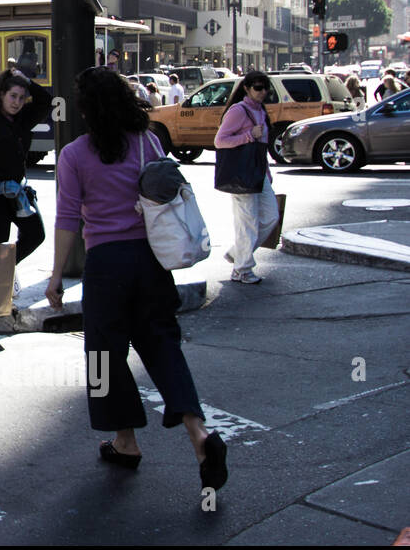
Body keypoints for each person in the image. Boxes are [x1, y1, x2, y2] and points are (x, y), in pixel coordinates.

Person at [46, 67, 227, 493]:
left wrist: (56, 277)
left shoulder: (74, 154)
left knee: (103, 359)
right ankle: (199, 436)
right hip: (151, 261)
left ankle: (125, 441)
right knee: (164, 346)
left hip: (107, 266)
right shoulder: (148, 142)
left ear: (88, 111)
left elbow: (68, 218)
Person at [0, 68, 52, 281]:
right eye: (13, 96)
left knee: (35, 235)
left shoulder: (23, 118)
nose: (17, 102)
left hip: (16, 191)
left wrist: (27, 80)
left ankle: (3, 270)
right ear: (1, 95)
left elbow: (46, 100)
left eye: (22, 98)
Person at [214, 71, 280, 285]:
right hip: (241, 174)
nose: (262, 92)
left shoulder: (260, 110)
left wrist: (267, 172)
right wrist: (249, 135)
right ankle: (242, 269)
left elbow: (261, 148)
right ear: (246, 88)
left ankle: (238, 253)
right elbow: (220, 141)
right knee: (247, 223)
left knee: (271, 216)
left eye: (265, 88)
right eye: (258, 88)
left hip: (259, 172)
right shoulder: (238, 111)